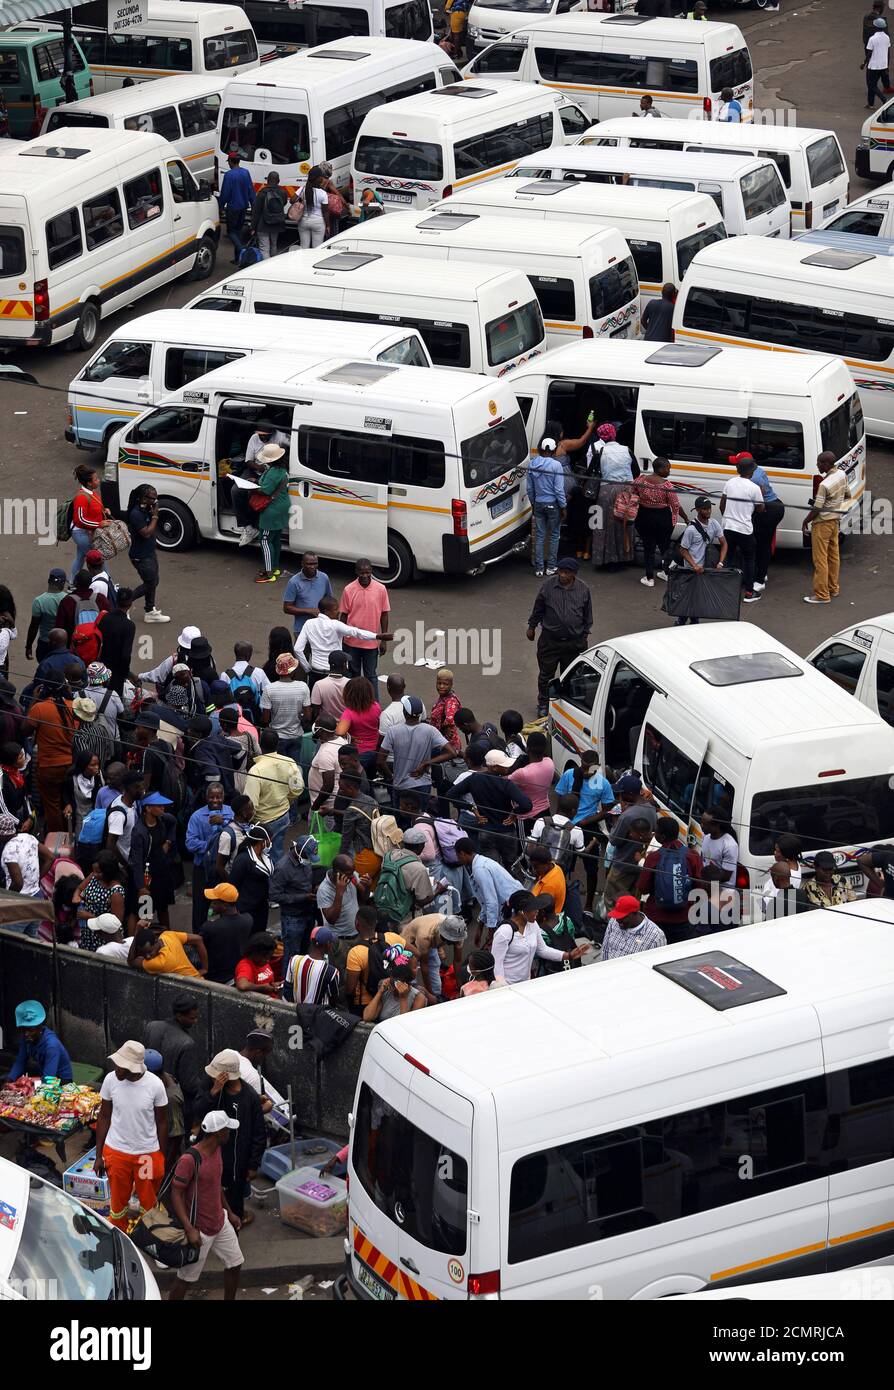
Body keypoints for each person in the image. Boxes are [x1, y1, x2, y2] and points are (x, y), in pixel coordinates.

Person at [168, 1110, 245, 1302]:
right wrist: (189, 1229)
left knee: (235, 1263)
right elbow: (176, 1194)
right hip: (200, 1230)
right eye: (227, 1129)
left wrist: (229, 1212)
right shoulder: (189, 1160)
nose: (230, 1132)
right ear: (219, 1133)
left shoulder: (217, 1150)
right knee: (184, 1280)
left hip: (220, 1221)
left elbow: (215, 1185)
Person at [93, 1040, 168, 1231]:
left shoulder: (155, 1085)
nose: (117, 1069)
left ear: (134, 1068)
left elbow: (162, 1123)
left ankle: (148, 1237)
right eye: (117, 1064)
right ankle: (119, 1232)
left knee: (148, 1201)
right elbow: (104, 1116)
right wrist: (99, 1155)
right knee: (118, 1202)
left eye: (122, 1066)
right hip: (116, 1153)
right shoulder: (111, 1080)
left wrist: (160, 1155)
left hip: (146, 1155)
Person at [199, 1050, 266, 1224]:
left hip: (237, 1162)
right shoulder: (212, 1087)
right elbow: (197, 1111)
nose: (213, 1079)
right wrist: (213, 1092)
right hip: (211, 1157)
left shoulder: (249, 1096)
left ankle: (233, 1227)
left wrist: (253, 1164)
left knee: (234, 1201)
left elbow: (259, 1132)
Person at [527, 418, 595, 576]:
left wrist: (533, 503)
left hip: (538, 503)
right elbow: (558, 489)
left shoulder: (533, 463)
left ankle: (538, 568)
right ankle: (551, 566)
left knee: (540, 536)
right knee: (555, 535)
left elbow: (530, 488)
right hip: (554, 503)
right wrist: (563, 507)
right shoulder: (558, 459)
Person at [526, 558, 593, 717]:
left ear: (574, 574)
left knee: (571, 676)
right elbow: (538, 608)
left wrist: (584, 636)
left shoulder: (583, 590)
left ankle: (567, 704)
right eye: (560, 571)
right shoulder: (548, 586)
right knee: (546, 676)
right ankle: (543, 703)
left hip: (574, 643)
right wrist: (532, 627)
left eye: (566, 573)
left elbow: (587, 616)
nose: (562, 575)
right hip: (550, 642)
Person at [492, 889, 586, 983]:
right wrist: (504, 988)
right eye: (534, 909)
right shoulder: (504, 932)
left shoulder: (533, 925)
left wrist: (568, 955)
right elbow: (496, 964)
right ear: (522, 912)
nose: (537, 911)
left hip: (525, 983)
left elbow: (542, 949)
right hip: (507, 986)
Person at [635, 815, 703, 944]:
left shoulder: (654, 857)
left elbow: (643, 888)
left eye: (657, 831)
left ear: (662, 837)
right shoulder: (692, 856)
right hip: (684, 917)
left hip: (656, 916)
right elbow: (700, 887)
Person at [295, 594, 390, 684]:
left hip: (316, 671)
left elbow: (297, 649)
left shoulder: (309, 623)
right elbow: (357, 632)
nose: (339, 611)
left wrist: (308, 668)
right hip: (334, 671)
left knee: (316, 699)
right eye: (335, 609)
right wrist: (377, 636)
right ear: (326, 611)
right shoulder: (336, 625)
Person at [20, 681, 77, 831]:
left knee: (52, 807)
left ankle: (56, 839)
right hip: (72, 766)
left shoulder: (39, 708)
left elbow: (25, 730)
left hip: (49, 768)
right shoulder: (74, 705)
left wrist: (34, 700)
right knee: (71, 802)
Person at [379, 694, 454, 805]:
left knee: (401, 820)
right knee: (420, 819)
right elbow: (452, 752)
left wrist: (391, 777)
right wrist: (427, 763)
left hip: (401, 786)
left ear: (404, 713)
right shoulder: (430, 730)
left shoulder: (393, 731)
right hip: (423, 785)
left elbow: (380, 760)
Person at [145, 998, 208, 1127]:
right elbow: (189, 1083)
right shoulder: (186, 1043)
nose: (195, 1021)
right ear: (179, 1016)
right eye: (192, 1018)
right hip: (170, 1098)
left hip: (146, 1089)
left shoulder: (152, 1026)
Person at [243, 728, 303, 861]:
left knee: (265, 856)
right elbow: (298, 788)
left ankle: (274, 878)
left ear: (259, 744)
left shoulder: (256, 770)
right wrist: (288, 800)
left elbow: (250, 804)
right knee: (277, 850)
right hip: (283, 815)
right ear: (277, 745)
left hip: (264, 822)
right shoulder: (289, 762)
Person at [454, 838, 526, 943]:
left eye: (458, 856)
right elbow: (486, 902)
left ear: (462, 853)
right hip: (512, 904)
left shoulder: (479, 869)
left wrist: (491, 933)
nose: (458, 859)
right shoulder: (480, 862)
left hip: (515, 907)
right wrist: (480, 927)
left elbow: (491, 901)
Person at [803, 450, 851, 604]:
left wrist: (805, 521)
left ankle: (822, 595)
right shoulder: (842, 475)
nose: (817, 465)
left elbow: (817, 509)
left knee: (820, 560)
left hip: (822, 524)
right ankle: (833, 588)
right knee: (833, 557)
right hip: (835, 522)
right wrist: (833, 503)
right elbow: (848, 495)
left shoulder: (824, 484)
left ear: (827, 464)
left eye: (819, 463)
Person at [129, 792, 182, 928]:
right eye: (159, 806)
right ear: (147, 808)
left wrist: (168, 842)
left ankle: (168, 938)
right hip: (147, 875)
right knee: (145, 914)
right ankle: (142, 943)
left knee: (163, 908)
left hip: (162, 872)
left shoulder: (164, 819)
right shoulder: (139, 832)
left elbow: (174, 822)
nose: (163, 808)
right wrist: (141, 886)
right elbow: (137, 862)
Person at [631, 457, 686, 587]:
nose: (669, 471)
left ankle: (649, 578)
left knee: (648, 547)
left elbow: (632, 492)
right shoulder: (667, 486)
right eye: (668, 468)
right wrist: (684, 518)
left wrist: (642, 500)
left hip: (644, 517)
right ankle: (666, 573)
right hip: (663, 519)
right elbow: (675, 505)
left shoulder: (641, 480)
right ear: (660, 468)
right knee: (664, 546)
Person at [673, 495, 727, 626]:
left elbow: (724, 543)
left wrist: (720, 562)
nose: (708, 511)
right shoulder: (691, 529)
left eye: (709, 508)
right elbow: (683, 550)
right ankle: (683, 621)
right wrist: (694, 565)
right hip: (691, 569)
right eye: (704, 509)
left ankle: (692, 620)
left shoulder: (714, 523)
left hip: (706, 568)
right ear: (697, 510)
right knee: (690, 596)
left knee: (698, 596)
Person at [271, 833, 321, 971]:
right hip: (292, 918)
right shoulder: (282, 868)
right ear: (299, 851)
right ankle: (288, 985)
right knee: (292, 955)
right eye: (308, 857)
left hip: (308, 913)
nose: (309, 860)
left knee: (305, 952)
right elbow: (274, 895)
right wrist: (303, 897)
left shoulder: (306, 860)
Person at [344, 905, 407, 1014]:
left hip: (365, 1005)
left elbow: (350, 989)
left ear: (357, 924)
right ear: (376, 922)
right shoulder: (392, 938)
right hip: (391, 997)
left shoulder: (355, 952)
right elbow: (416, 953)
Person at [720, 454, 764, 603]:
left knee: (729, 557)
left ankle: (725, 590)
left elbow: (722, 505)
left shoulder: (730, 482)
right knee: (749, 559)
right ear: (751, 471)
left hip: (728, 527)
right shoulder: (755, 488)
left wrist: (727, 518)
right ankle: (749, 593)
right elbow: (760, 509)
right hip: (745, 529)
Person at [339, 559, 390, 680]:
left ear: (371, 571)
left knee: (371, 676)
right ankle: (355, 699)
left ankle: (373, 700)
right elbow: (344, 616)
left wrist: (383, 640)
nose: (365, 575)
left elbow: (384, 615)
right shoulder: (348, 589)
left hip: (371, 643)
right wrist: (340, 638)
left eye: (367, 572)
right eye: (362, 572)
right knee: (353, 675)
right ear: (356, 571)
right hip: (351, 642)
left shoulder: (381, 589)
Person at [127, 484, 169, 624]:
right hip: (140, 556)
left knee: (153, 581)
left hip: (149, 552)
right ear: (143, 498)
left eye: (156, 498)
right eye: (152, 498)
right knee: (150, 583)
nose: (155, 501)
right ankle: (124, 603)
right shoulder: (136, 514)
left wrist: (152, 513)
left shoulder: (146, 509)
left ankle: (150, 611)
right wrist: (155, 517)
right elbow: (146, 533)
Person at [259, 652, 311, 762]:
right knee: (294, 768)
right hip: (296, 735)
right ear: (293, 671)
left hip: (277, 737)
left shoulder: (269, 689)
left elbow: (265, 719)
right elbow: (307, 716)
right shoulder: (303, 687)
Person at [251, 443, 291, 584]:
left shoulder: (273, 472)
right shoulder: (282, 469)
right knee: (275, 539)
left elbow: (265, 491)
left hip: (272, 509)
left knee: (265, 540)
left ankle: (269, 574)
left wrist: (250, 486)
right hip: (282, 506)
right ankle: (275, 568)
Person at [5, 999, 72, 1081]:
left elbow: (49, 1078)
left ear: (40, 1027)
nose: (26, 1034)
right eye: (23, 1030)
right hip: (43, 1074)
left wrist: (28, 1081)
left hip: (60, 1080)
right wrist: (10, 1079)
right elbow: (20, 1061)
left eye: (31, 1030)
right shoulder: (26, 1037)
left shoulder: (51, 1045)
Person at [201, 882, 254, 984]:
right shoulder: (248, 919)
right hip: (237, 971)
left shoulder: (210, 927)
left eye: (214, 902)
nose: (211, 904)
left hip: (215, 976)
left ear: (225, 906)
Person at [229, 824, 275, 932]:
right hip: (247, 908)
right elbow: (233, 884)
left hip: (261, 905)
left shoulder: (263, 856)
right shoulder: (243, 860)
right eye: (269, 840)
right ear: (262, 841)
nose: (271, 843)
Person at [283, 924, 341, 1006]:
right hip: (318, 1015)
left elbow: (288, 989)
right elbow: (333, 1001)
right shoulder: (332, 972)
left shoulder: (294, 960)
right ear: (328, 944)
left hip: (297, 1011)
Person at [69, 464, 109, 583]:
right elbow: (79, 519)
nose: (98, 480)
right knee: (99, 558)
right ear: (89, 483)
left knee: (80, 558)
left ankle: (72, 583)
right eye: (96, 479)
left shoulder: (92, 493)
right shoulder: (81, 497)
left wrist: (104, 511)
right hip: (82, 534)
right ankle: (108, 583)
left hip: (88, 533)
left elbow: (94, 509)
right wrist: (99, 524)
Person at [335, 677, 382, 777]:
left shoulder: (349, 713)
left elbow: (339, 732)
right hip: (375, 751)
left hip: (359, 754)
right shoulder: (376, 706)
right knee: (370, 778)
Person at [509, 731, 554, 832]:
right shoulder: (550, 763)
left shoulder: (522, 773)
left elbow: (504, 780)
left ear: (527, 749)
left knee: (525, 847)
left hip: (527, 817)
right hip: (545, 812)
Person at [600, 895, 667, 961]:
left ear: (635, 913)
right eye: (617, 916)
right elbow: (605, 950)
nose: (617, 920)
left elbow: (656, 963)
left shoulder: (656, 936)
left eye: (622, 917)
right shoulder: (613, 921)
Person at [282, 552, 332, 639]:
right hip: (302, 630)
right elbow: (286, 608)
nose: (312, 566)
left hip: (321, 630)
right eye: (309, 564)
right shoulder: (294, 582)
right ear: (302, 563)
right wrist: (308, 611)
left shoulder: (324, 578)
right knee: (302, 652)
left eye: (315, 563)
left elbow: (329, 601)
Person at [97, 587, 136, 696]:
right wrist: (125, 673)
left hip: (101, 666)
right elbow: (125, 655)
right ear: (130, 604)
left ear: (116, 601)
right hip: (116, 672)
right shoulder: (129, 626)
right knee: (114, 699)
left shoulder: (104, 618)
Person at [218, 150, 255, 263]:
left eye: (228, 161)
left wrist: (220, 207)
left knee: (231, 232)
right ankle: (238, 258)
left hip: (233, 208)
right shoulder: (246, 172)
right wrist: (254, 206)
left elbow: (225, 193)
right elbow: (250, 191)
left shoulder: (229, 175)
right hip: (243, 207)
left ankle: (242, 249)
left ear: (230, 161)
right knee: (238, 231)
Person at [25, 568, 67, 664]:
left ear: (48, 581)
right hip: (62, 644)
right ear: (63, 583)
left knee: (44, 670)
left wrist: (28, 646)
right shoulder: (67, 599)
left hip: (44, 644)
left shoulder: (39, 601)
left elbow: (34, 626)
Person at [253, 170, 287, 259]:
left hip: (263, 224)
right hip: (277, 223)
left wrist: (253, 227)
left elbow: (256, 212)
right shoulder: (282, 192)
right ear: (278, 181)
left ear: (267, 180)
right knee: (274, 245)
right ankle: (273, 264)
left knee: (264, 248)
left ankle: (266, 268)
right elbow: (283, 203)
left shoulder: (262, 193)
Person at [311, 650, 351, 723]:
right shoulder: (350, 683)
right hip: (346, 724)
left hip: (326, 726)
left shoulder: (319, 684)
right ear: (344, 665)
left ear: (329, 663)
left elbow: (315, 711)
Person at [296, 164, 330, 248]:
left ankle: (303, 261)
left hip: (303, 221)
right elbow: (325, 212)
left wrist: (301, 200)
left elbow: (292, 200)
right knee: (316, 249)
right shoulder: (322, 193)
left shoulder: (303, 189)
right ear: (318, 178)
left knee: (304, 248)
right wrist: (328, 225)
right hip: (318, 222)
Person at [865, 16, 891, 106]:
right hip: (883, 65)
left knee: (871, 85)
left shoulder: (872, 39)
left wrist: (864, 63)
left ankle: (884, 99)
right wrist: (887, 64)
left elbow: (869, 53)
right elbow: (887, 51)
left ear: (876, 27)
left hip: (873, 66)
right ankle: (870, 103)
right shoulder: (887, 37)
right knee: (872, 84)